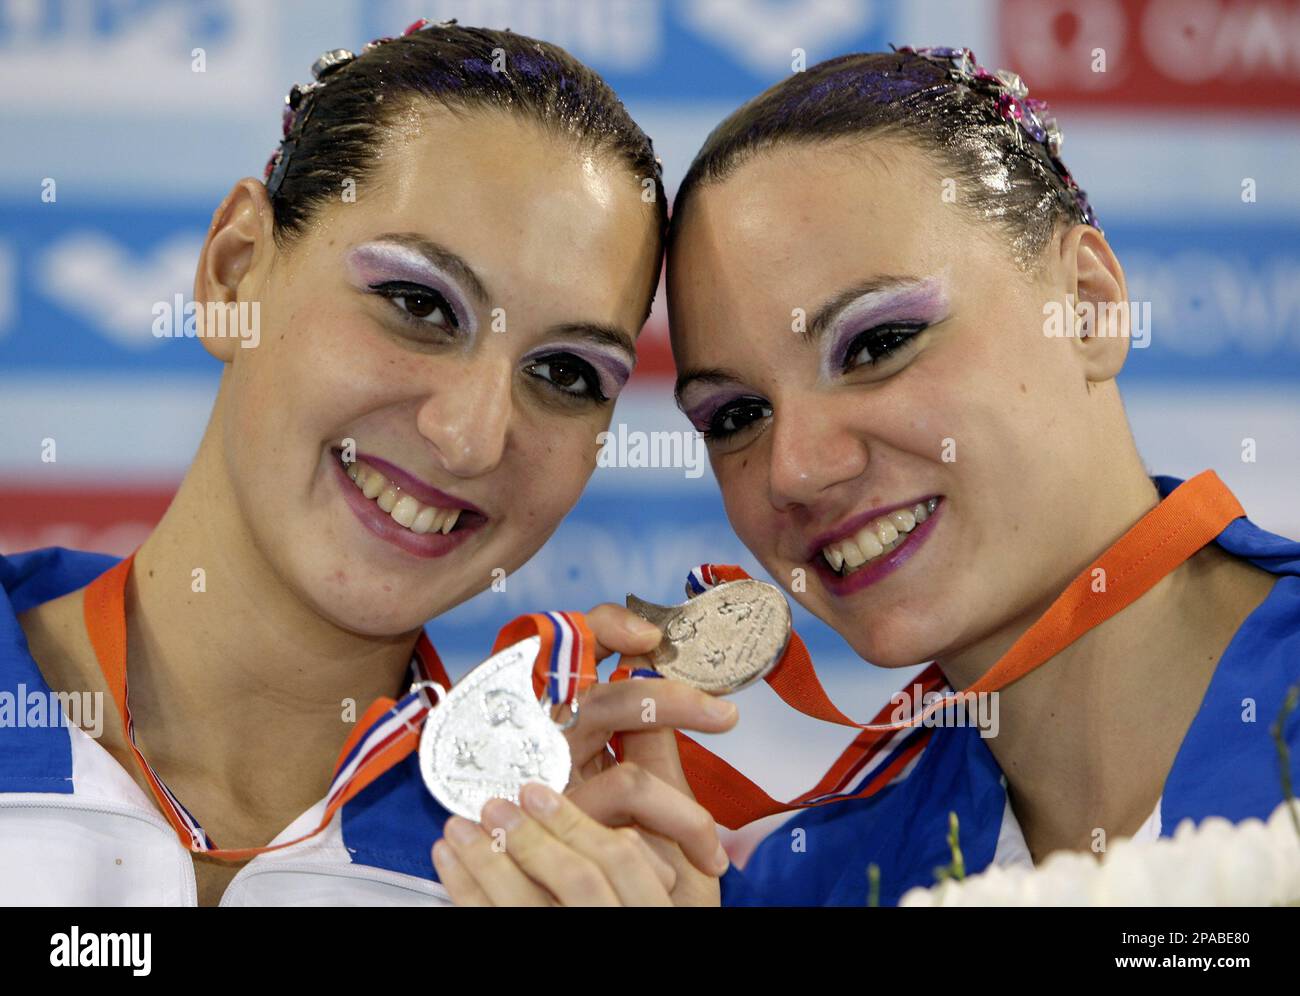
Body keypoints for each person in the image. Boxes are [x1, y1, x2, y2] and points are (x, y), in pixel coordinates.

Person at [1, 19, 735, 907]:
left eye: (565, 373)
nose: (470, 436)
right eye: (420, 303)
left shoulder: (549, 867)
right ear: (235, 274)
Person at [653, 47, 1299, 906]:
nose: (798, 469)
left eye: (879, 344)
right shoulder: (811, 885)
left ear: (1089, 303)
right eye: (735, 416)